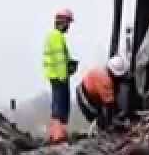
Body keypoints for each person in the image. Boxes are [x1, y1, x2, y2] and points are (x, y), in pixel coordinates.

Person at [43, 8, 78, 143]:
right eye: (68, 23)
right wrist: (66, 73)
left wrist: (70, 63)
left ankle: (56, 134)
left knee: (58, 106)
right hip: (59, 77)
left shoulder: (53, 36)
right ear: (62, 22)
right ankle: (58, 136)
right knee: (60, 106)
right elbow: (59, 60)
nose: (68, 27)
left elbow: (62, 58)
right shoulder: (57, 37)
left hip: (56, 76)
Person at [77, 55, 131, 128]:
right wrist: (113, 121)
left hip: (94, 95)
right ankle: (100, 132)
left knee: (106, 117)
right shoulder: (105, 81)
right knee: (99, 120)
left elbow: (113, 100)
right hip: (84, 96)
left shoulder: (110, 75)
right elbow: (110, 105)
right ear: (115, 74)